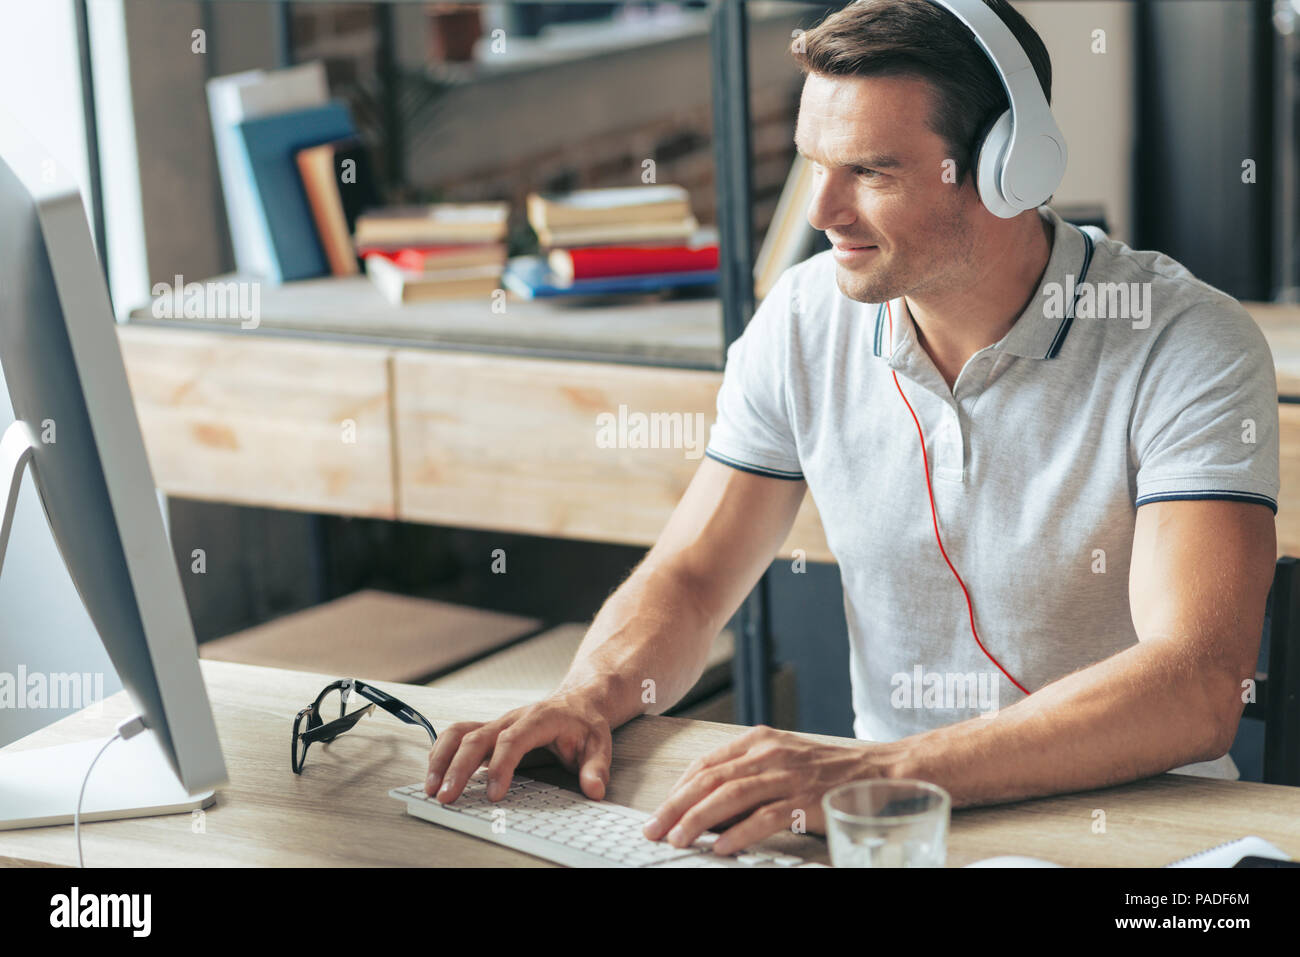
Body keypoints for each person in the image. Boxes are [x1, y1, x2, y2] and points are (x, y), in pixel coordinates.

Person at [425, 0, 1278, 857]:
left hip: (1139, 835)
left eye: (870, 171)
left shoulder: (1185, 341)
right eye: (813, 165)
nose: (823, 209)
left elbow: (1196, 681)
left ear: (1005, 169)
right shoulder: (801, 319)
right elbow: (692, 575)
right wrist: (589, 693)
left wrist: (885, 771)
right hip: (889, 829)